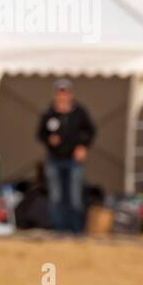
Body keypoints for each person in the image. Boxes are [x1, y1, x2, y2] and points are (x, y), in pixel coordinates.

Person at [37, 78, 96, 234]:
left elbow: (90, 131)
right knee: (56, 197)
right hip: (54, 160)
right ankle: (59, 230)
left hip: (73, 161)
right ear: (56, 94)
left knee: (75, 197)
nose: (63, 96)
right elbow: (40, 134)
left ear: (70, 94)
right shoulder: (48, 112)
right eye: (60, 93)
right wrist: (49, 139)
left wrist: (83, 147)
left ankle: (77, 230)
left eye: (65, 93)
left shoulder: (79, 112)